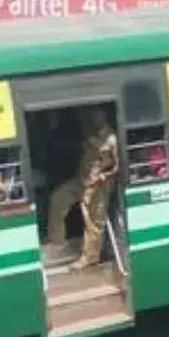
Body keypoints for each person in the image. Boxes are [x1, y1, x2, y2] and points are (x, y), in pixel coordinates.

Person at [46, 108, 120, 271]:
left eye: (96, 116)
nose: (93, 118)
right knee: (57, 199)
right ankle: (57, 242)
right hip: (81, 180)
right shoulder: (88, 132)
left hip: (98, 186)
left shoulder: (112, 139)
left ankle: (90, 258)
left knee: (93, 222)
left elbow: (118, 165)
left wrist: (104, 176)